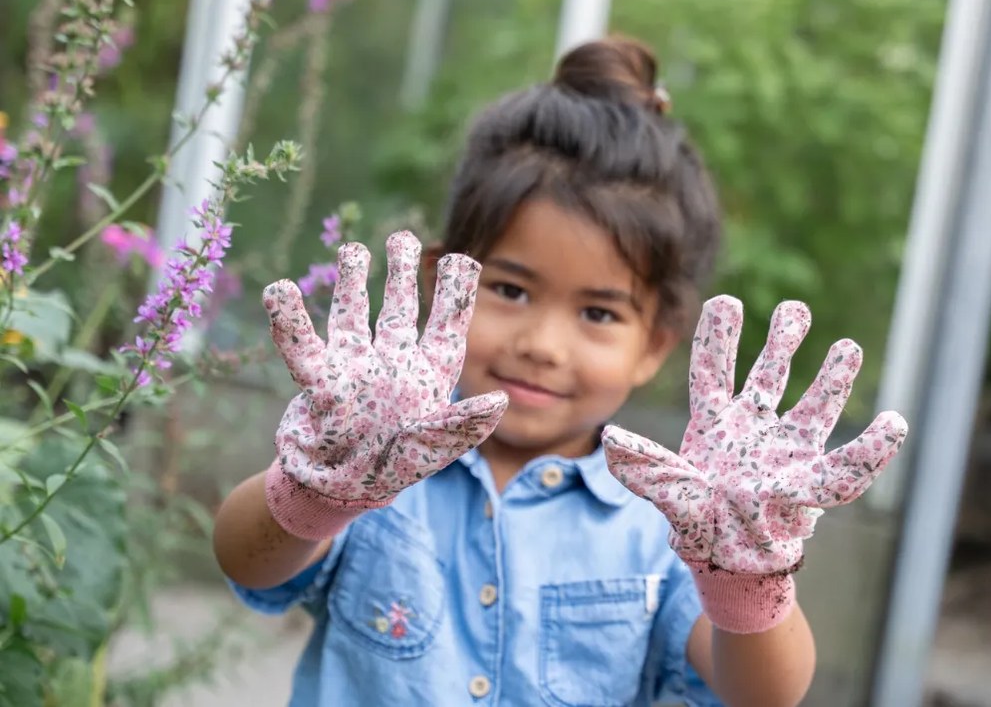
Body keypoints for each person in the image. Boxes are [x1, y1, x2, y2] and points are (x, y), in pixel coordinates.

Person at [213, 35, 908, 706]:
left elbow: (763, 693)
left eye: (599, 314)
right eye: (511, 290)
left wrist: (749, 572)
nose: (544, 344)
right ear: (443, 283)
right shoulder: (376, 458)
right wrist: (318, 489)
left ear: (655, 345)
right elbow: (245, 557)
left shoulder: (674, 523)